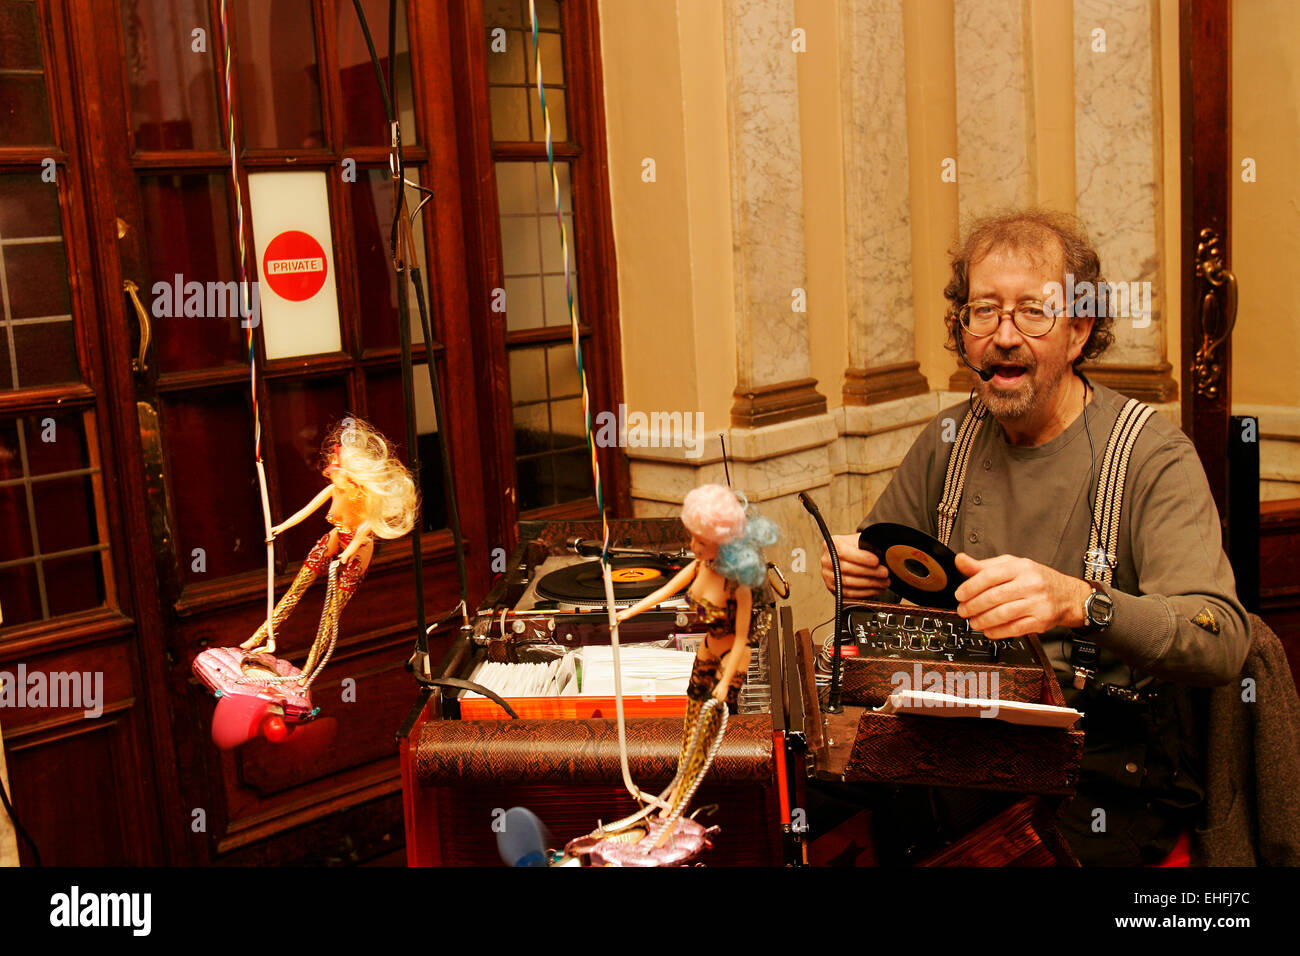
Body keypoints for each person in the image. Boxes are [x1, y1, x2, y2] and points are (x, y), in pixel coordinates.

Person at [820, 210, 1249, 865]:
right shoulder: (948, 438)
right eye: (984, 311)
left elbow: (1219, 638)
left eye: (1032, 312)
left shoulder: (1150, 453)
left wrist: (1082, 601)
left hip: (1095, 786)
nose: (1004, 336)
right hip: (949, 758)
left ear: (1079, 330)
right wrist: (860, 573)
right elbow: (884, 563)